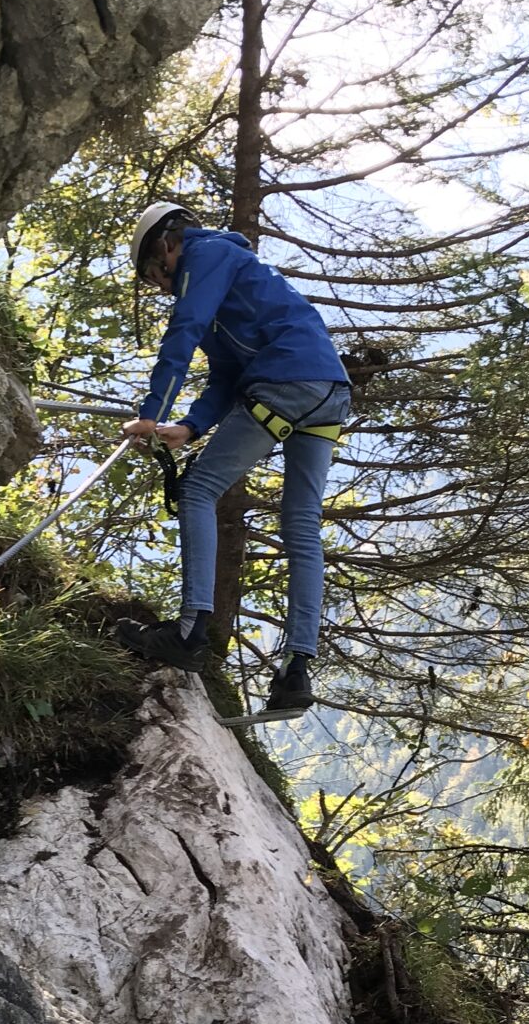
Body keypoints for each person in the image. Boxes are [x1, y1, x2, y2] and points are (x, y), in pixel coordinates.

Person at [114, 202, 351, 718]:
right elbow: (224, 374)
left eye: (154, 274)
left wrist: (150, 414)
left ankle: (189, 630)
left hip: (287, 382)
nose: (157, 286)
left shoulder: (207, 253)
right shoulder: (225, 276)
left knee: (198, 490)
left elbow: (184, 327)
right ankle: (296, 672)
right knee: (301, 526)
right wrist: (191, 426)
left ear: (166, 244)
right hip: (328, 393)